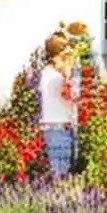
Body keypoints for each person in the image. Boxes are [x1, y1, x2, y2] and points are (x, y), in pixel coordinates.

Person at [39, 30, 78, 177]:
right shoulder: (56, 77)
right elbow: (68, 97)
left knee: (58, 170)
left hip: (53, 128)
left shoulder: (46, 73)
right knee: (60, 172)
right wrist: (67, 75)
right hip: (58, 129)